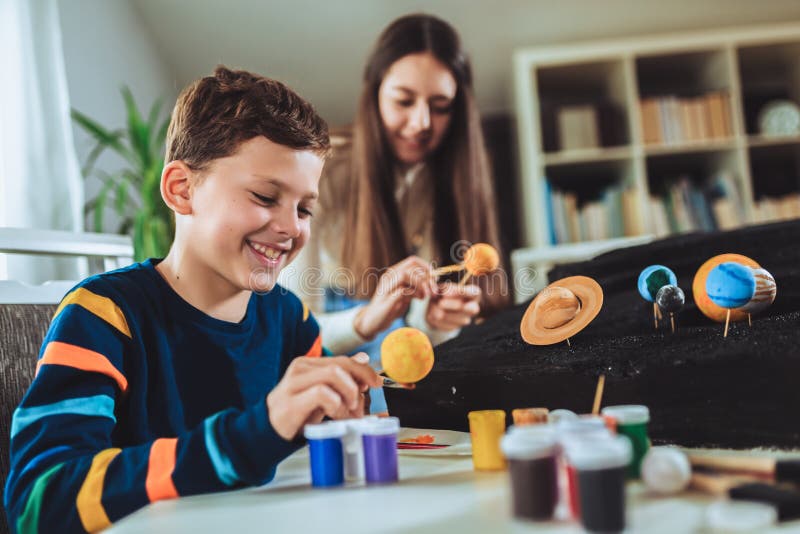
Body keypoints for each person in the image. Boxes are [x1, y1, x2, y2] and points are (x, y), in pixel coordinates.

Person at [4, 66, 382, 533]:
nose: (291, 228)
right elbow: (38, 504)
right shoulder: (103, 316)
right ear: (181, 190)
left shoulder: (291, 320)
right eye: (266, 196)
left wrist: (348, 417)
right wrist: (251, 434)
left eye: (304, 208)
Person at [280, 14, 510, 413]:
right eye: (404, 101)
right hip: (322, 367)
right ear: (375, 95)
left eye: (440, 107)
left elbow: (419, 328)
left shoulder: (444, 178)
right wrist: (367, 318)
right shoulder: (323, 172)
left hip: (401, 369)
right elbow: (288, 329)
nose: (421, 123)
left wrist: (437, 321)